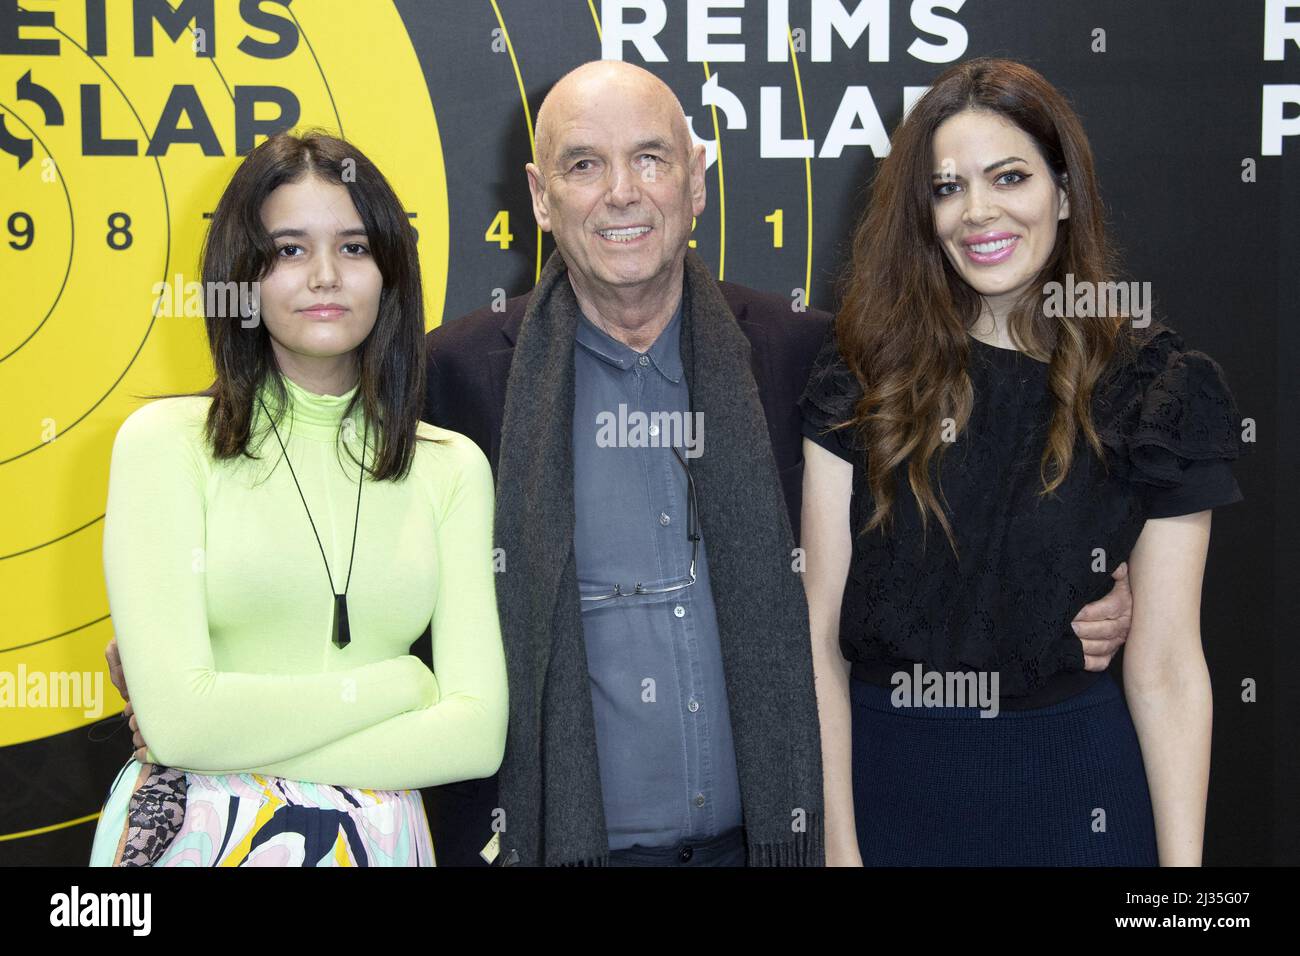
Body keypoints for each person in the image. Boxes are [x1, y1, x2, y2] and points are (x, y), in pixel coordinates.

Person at [421, 60, 1135, 867]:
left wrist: (1085, 572)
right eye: (584, 164)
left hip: (776, 843)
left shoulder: (811, 355)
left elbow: (950, 520)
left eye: (652, 158)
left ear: (696, 181)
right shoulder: (456, 380)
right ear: (540, 195)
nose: (622, 191)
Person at [800, 58, 1247, 866]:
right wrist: (840, 849)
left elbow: (1171, 668)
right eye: (947, 188)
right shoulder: (863, 372)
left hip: (1080, 808)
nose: (979, 212)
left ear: (1065, 193)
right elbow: (818, 640)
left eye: (1010, 176)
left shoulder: (1158, 388)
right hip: (888, 807)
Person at [93, 131, 507, 866]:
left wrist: (232, 734)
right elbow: (183, 726)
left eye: (353, 248)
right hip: (195, 837)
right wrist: (402, 683)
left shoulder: (450, 467)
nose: (324, 275)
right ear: (242, 277)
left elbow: (476, 737)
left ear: (388, 272)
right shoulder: (164, 444)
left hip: (379, 842)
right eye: (289, 250)